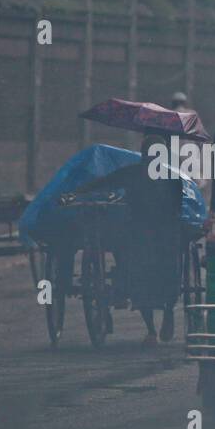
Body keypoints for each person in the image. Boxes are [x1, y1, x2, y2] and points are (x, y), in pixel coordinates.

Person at [78, 133, 185, 344]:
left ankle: (151, 330)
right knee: (168, 273)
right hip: (164, 236)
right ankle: (167, 314)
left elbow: (103, 183)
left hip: (139, 236)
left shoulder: (133, 173)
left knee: (138, 277)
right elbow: (178, 208)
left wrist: (76, 192)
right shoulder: (172, 177)